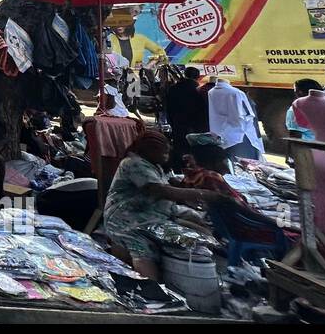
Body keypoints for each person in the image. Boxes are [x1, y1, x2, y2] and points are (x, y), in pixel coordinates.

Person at [103, 130, 221, 280]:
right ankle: (151, 289)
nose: (167, 154)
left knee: (202, 230)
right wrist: (201, 194)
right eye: (163, 151)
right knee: (142, 247)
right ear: (149, 150)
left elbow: (170, 187)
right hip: (127, 218)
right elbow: (159, 190)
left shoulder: (154, 165)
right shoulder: (134, 163)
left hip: (153, 215)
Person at [165, 66, 210, 170]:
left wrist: (172, 123)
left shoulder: (174, 88)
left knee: (179, 147)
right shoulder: (199, 90)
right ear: (198, 77)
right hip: (195, 126)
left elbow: (169, 108)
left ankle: (178, 169)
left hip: (178, 124)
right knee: (193, 150)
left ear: (185, 75)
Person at [207, 77, 263, 160]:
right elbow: (248, 116)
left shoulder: (211, 92)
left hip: (220, 135)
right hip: (239, 137)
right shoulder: (237, 93)